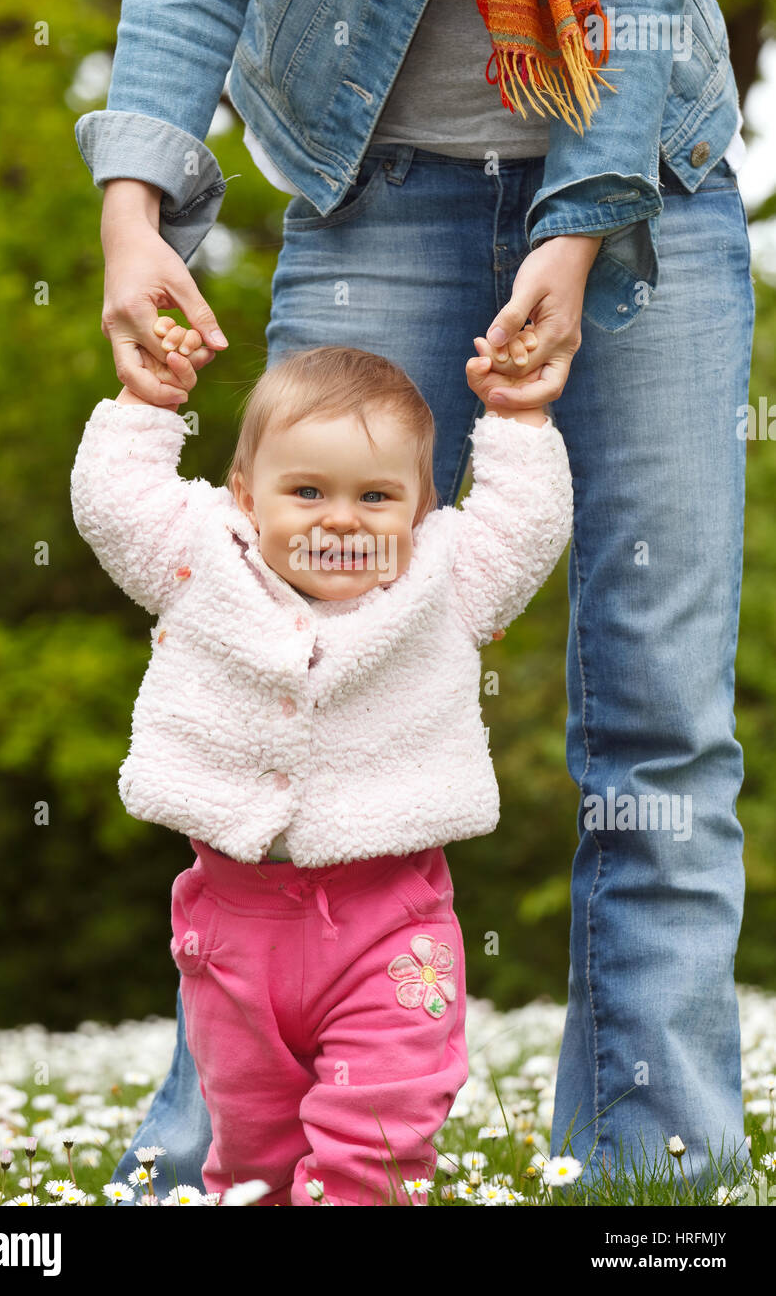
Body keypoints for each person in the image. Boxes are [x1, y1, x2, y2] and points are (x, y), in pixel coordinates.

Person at [74, 0, 754, 1195]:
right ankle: (213, 1161)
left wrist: (574, 224)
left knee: (663, 714)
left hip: (644, 194)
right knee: (273, 666)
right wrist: (133, 207)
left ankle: (655, 1170)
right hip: (371, 187)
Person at [70, 340, 574, 1205]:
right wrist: (143, 405)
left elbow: (525, 529)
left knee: (380, 1129)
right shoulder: (199, 561)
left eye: (376, 497)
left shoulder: (443, 583)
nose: (340, 519)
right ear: (245, 497)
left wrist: (518, 421)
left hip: (390, 923)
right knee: (254, 1145)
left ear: (420, 510)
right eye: (307, 492)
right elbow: (112, 505)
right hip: (233, 927)